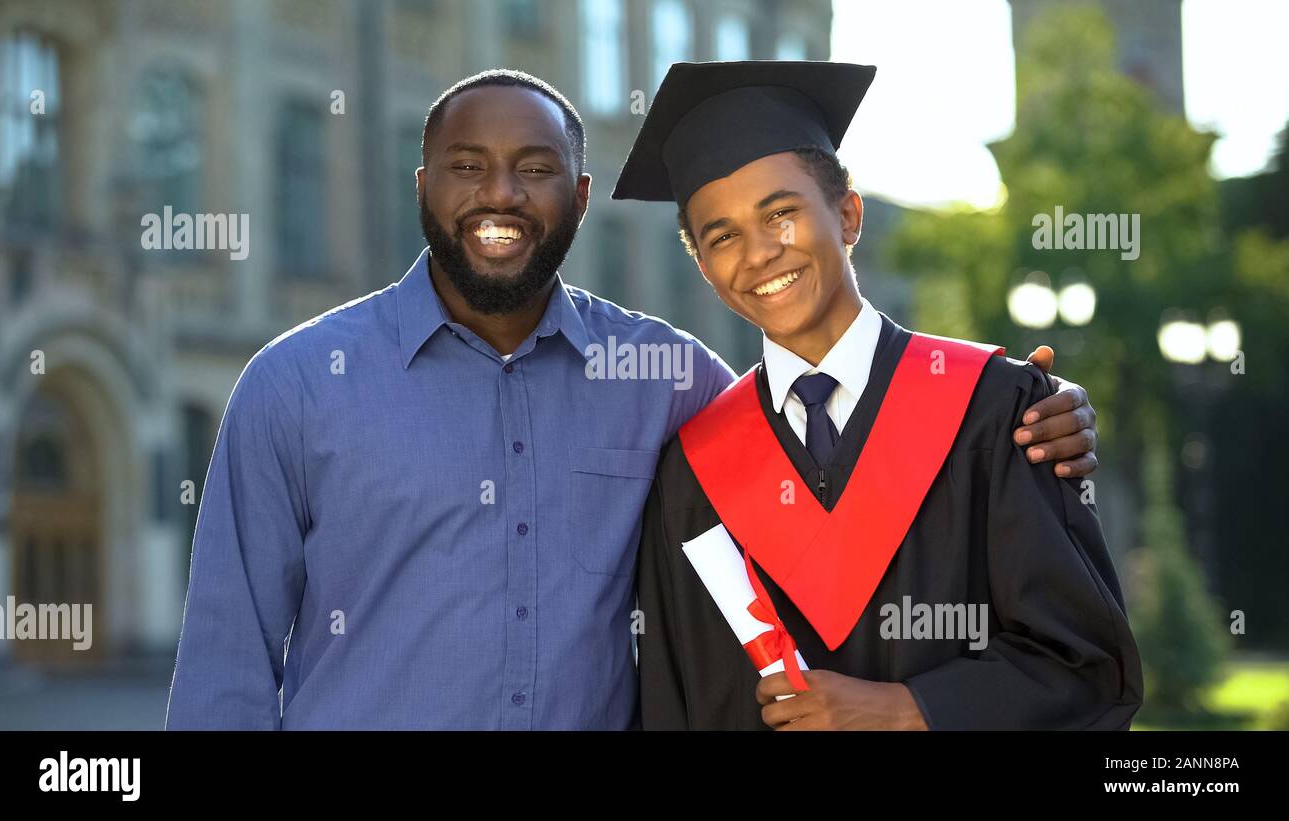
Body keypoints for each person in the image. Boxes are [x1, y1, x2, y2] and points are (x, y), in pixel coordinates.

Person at [167, 69, 1102, 729]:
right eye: (467, 166)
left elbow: (1075, 657)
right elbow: (224, 669)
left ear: (578, 197)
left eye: (535, 169)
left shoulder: (672, 384)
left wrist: (1043, 407)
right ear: (424, 187)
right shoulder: (295, 385)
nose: (500, 194)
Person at [619, 61, 1142, 730]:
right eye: (721, 236)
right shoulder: (691, 472)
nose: (758, 255)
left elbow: (1087, 669)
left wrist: (907, 710)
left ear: (847, 214)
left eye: (780, 214)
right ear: (704, 268)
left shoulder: (999, 411)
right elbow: (675, 705)